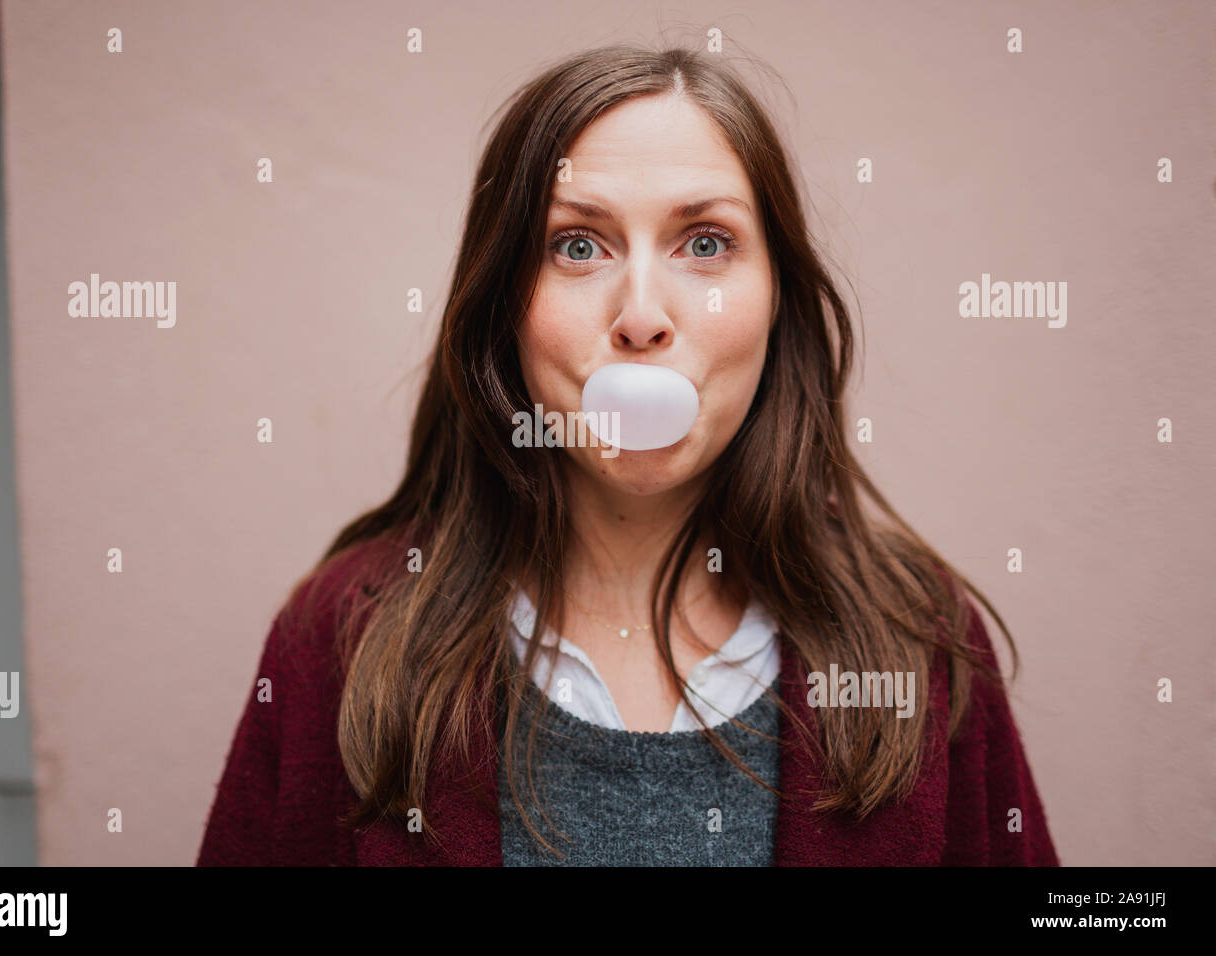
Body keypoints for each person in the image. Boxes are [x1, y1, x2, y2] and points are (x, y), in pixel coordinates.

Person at [197, 44, 1059, 866]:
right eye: (578, 245)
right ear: (502, 308)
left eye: (705, 243)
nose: (641, 314)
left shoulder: (919, 643)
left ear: (777, 304)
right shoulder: (339, 644)